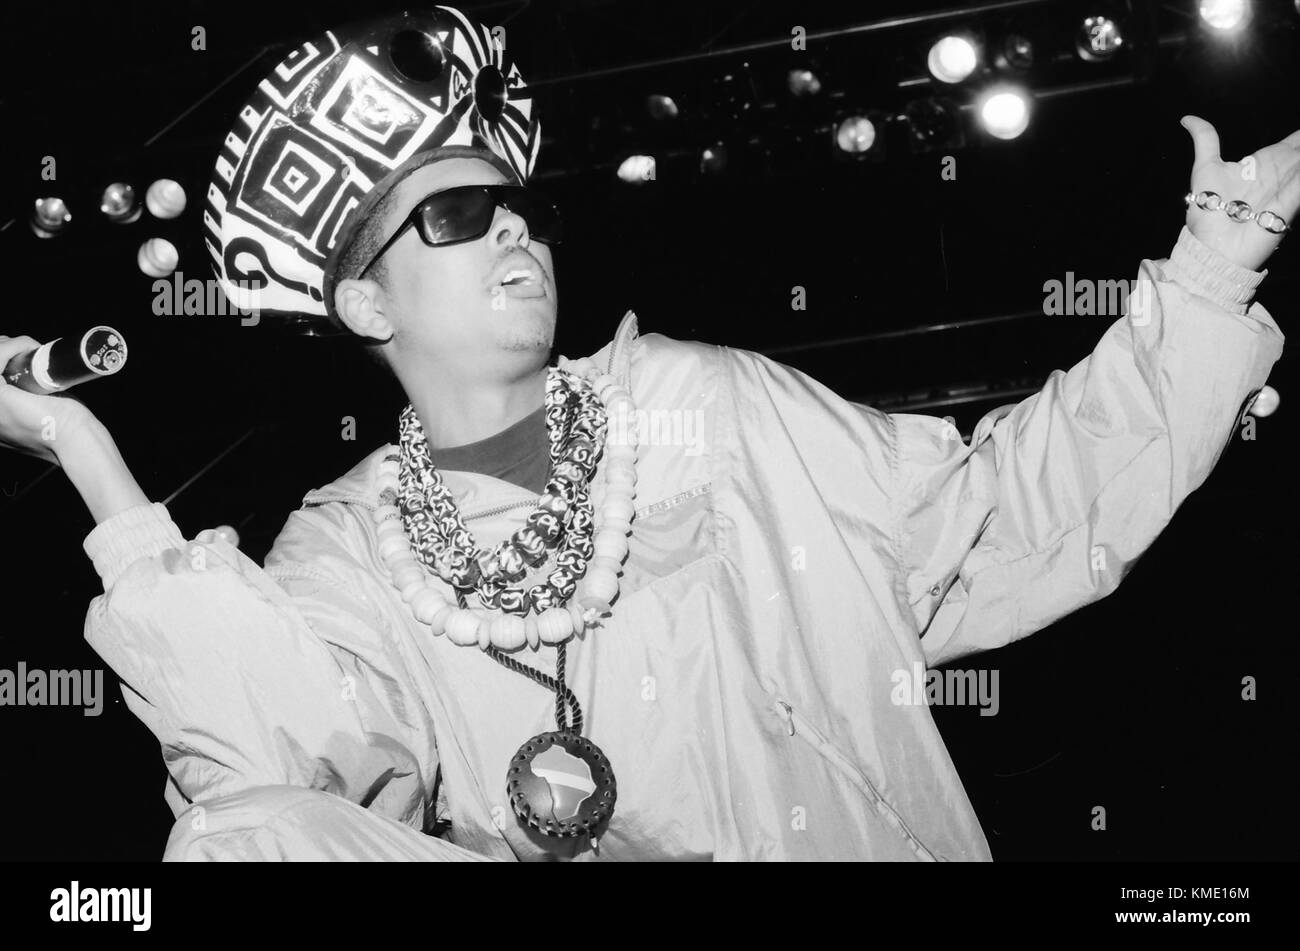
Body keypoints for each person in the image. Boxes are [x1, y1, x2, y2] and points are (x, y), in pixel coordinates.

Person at [0, 4, 1293, 861]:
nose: (512, 229)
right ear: (360, 298)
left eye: (515, 208)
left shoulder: (703, 410)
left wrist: (1209, 270)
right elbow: (270, 787)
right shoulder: (344, 559)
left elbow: (1011, 512)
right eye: (454, 219)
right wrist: (88, 456)